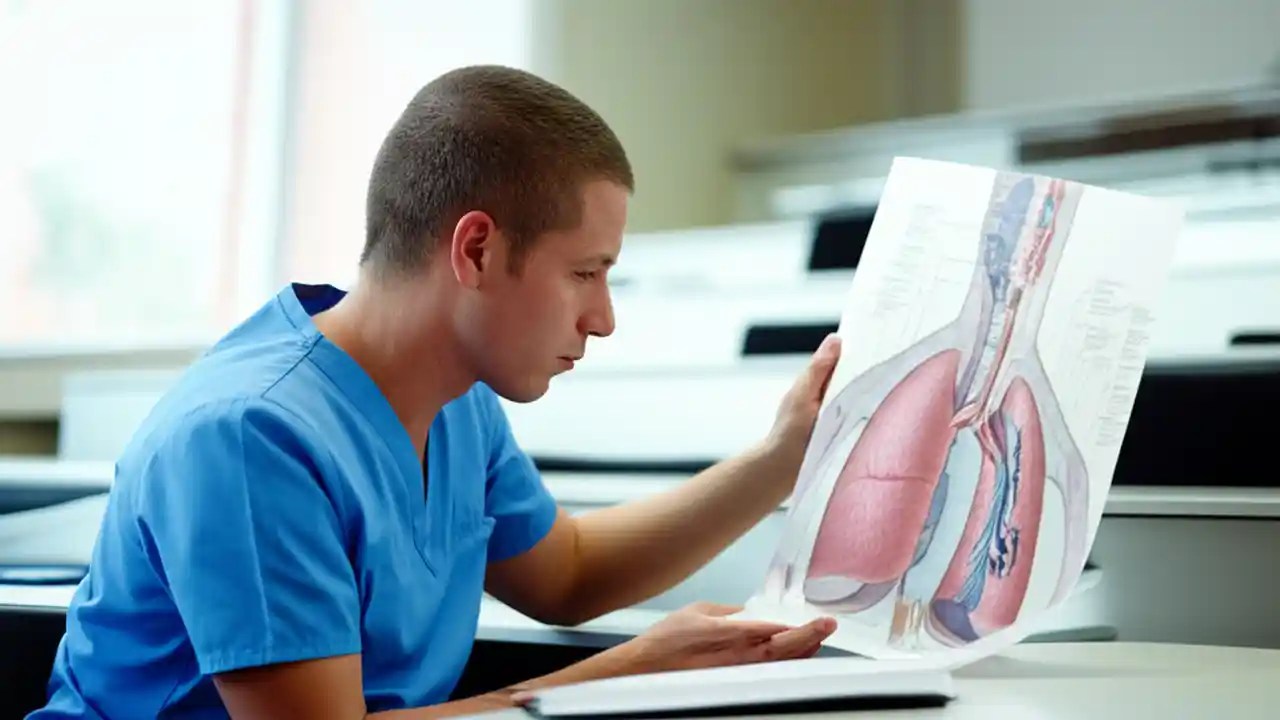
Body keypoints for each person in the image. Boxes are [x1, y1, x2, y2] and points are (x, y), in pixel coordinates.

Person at [28, 64, 841, 719]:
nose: (602, 319)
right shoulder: (249, 437)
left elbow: (568, 574)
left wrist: (783, 458)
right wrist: (626, 677)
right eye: (584, 274)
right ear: (477, 249)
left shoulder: (460, 399)